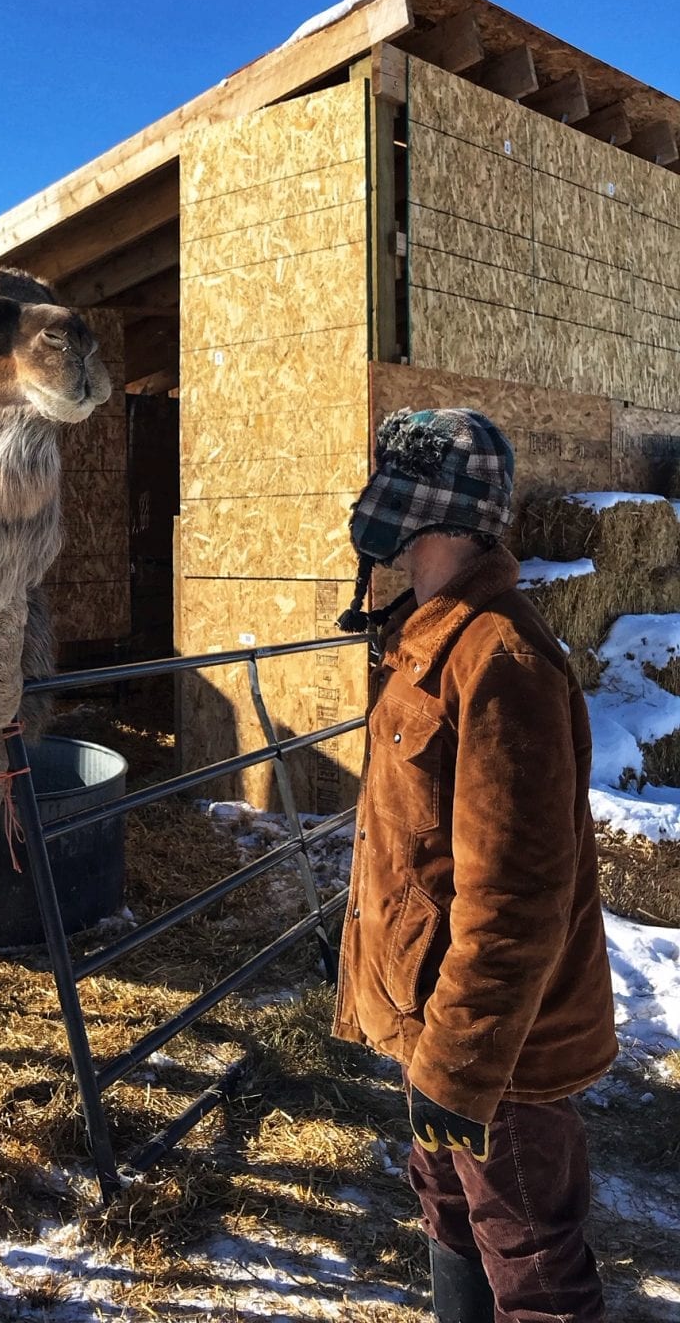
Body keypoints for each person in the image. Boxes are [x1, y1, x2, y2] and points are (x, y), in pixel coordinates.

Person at [332, 407, 617, 1323]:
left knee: (533, 1260)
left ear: (448, 523)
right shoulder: (430, 635)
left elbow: (518, 898)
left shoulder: (502, 659)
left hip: (503, 1054)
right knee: (450, 1210)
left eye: (399, 506)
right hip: (442, 1027)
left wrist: (460, 1069)